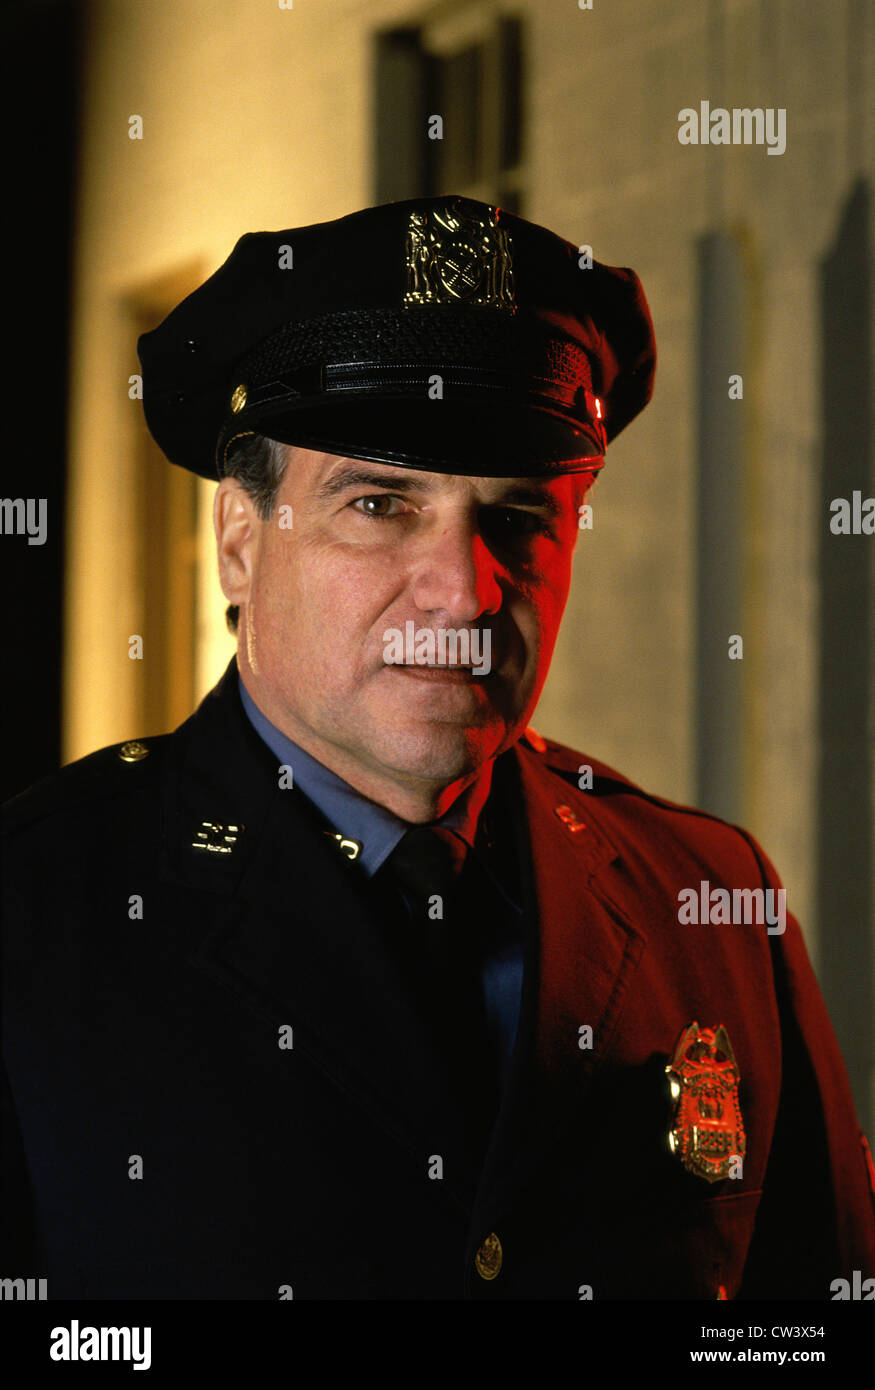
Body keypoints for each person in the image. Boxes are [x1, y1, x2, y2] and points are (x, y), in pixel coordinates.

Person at [2, 195, 874, 1301]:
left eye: (515, 519)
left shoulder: (710, 904)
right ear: (236, 541)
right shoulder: (36, 916)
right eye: (379, 503)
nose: (463, 590)